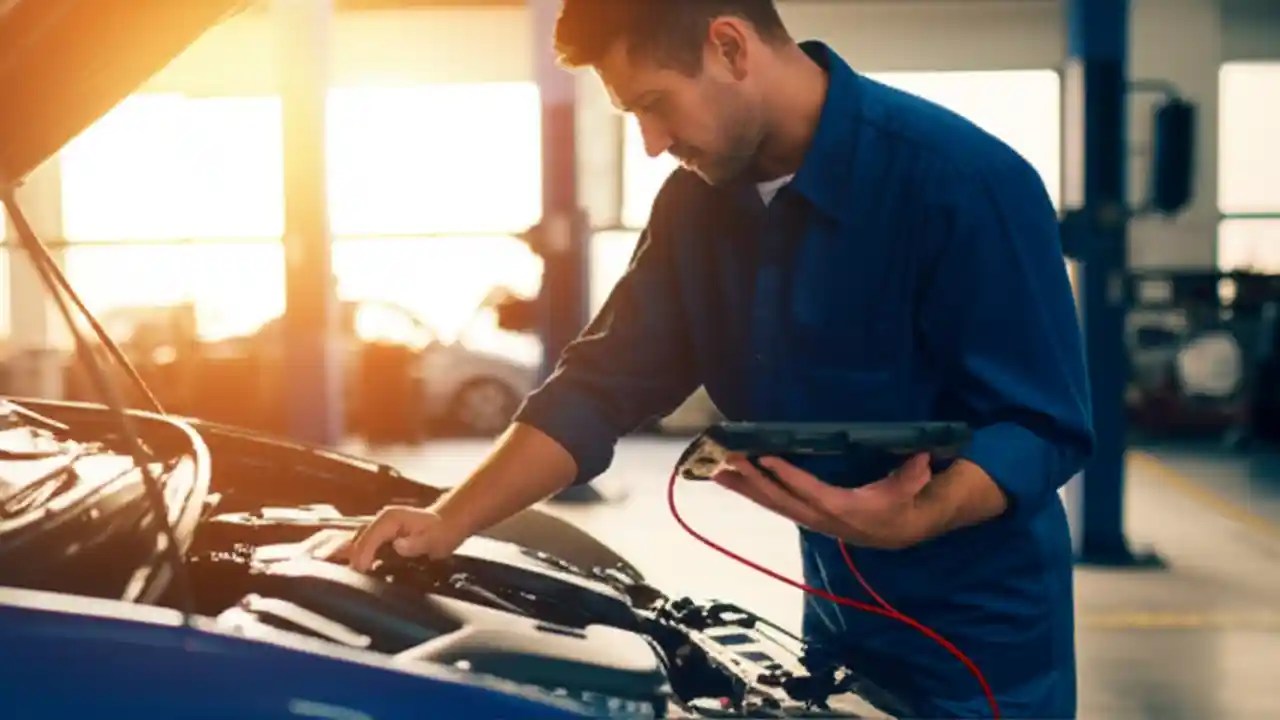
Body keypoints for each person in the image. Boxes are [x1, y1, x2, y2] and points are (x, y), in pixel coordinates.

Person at [332, 1, 1094, 717]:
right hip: (834, 622)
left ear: (729, 47)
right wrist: (445, 520)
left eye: (655, 104)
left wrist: (919, 518)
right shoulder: (695, 209)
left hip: (980, 648)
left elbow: (1040, 422)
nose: (654, 143)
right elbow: (597, 388)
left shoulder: (963, 183)